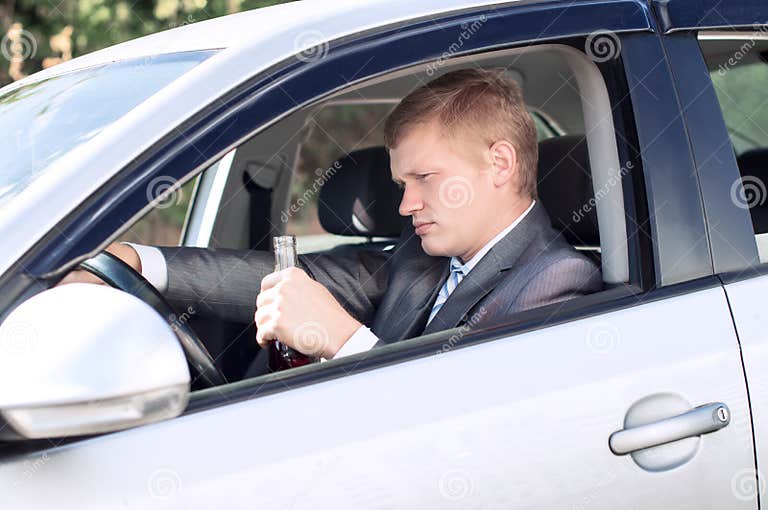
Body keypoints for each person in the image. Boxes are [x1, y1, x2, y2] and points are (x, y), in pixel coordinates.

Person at [62, 68, 602, 363]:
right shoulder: (424, 254)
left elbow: (468, 428)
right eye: (400, 184)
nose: (405, 205)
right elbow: (301, 279)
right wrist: (137, 261)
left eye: (426, 179)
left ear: (499, 163)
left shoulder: (556, 281)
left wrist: (342, 340)